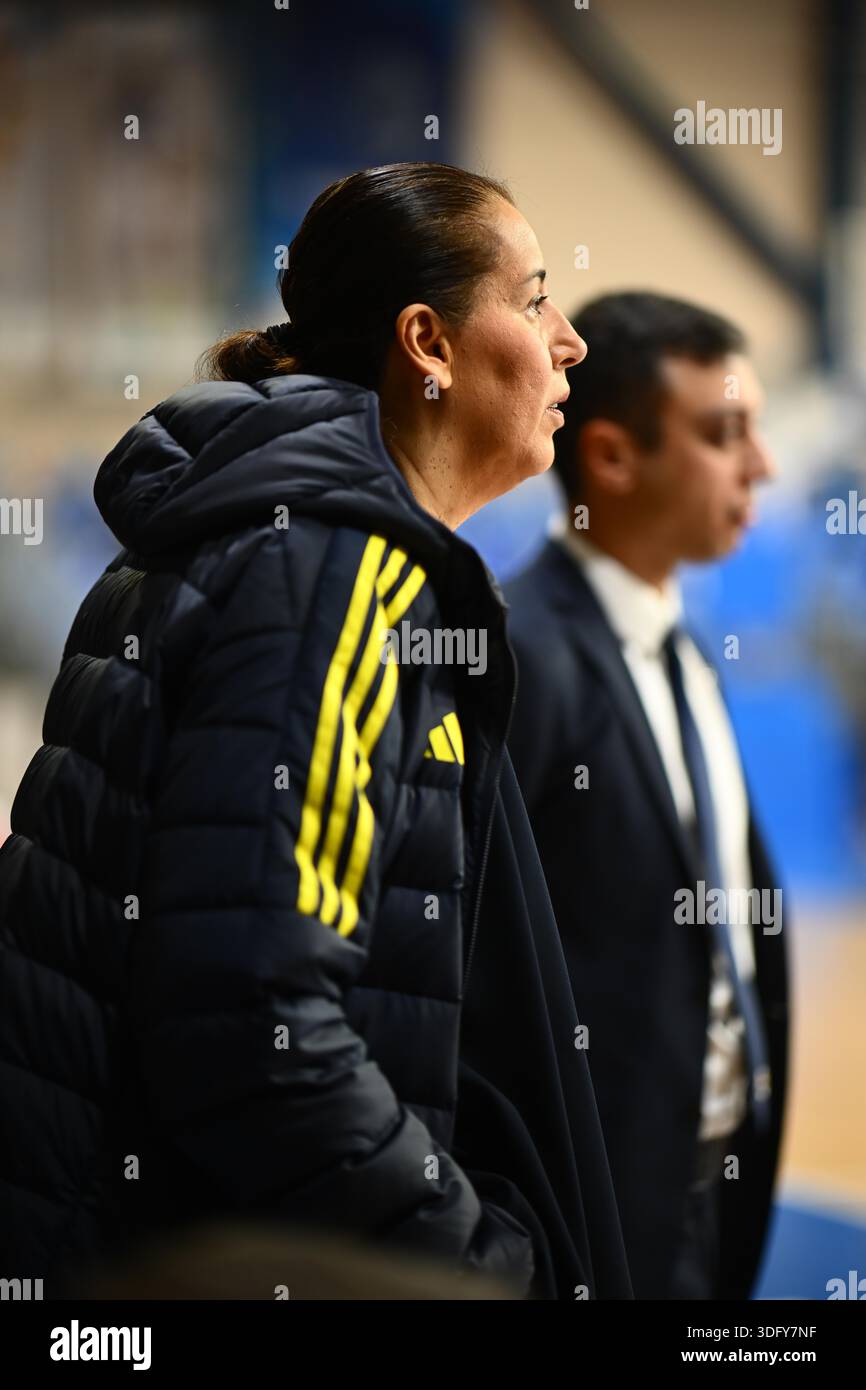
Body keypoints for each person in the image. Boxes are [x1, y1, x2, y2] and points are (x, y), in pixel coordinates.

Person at [0, 162, 632, 1300]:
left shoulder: (268, 535)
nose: (567, 341)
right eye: (534, 298)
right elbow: (254, 1018)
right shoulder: (337, 565)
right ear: (427, 343)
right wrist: (476, 1266)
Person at [505, 291, 790, 1299]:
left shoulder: (681, 653)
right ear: (614, 459)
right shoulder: (519, 655)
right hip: (592, 1205)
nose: (760, 467)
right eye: (724, 434)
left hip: (706, 1179)